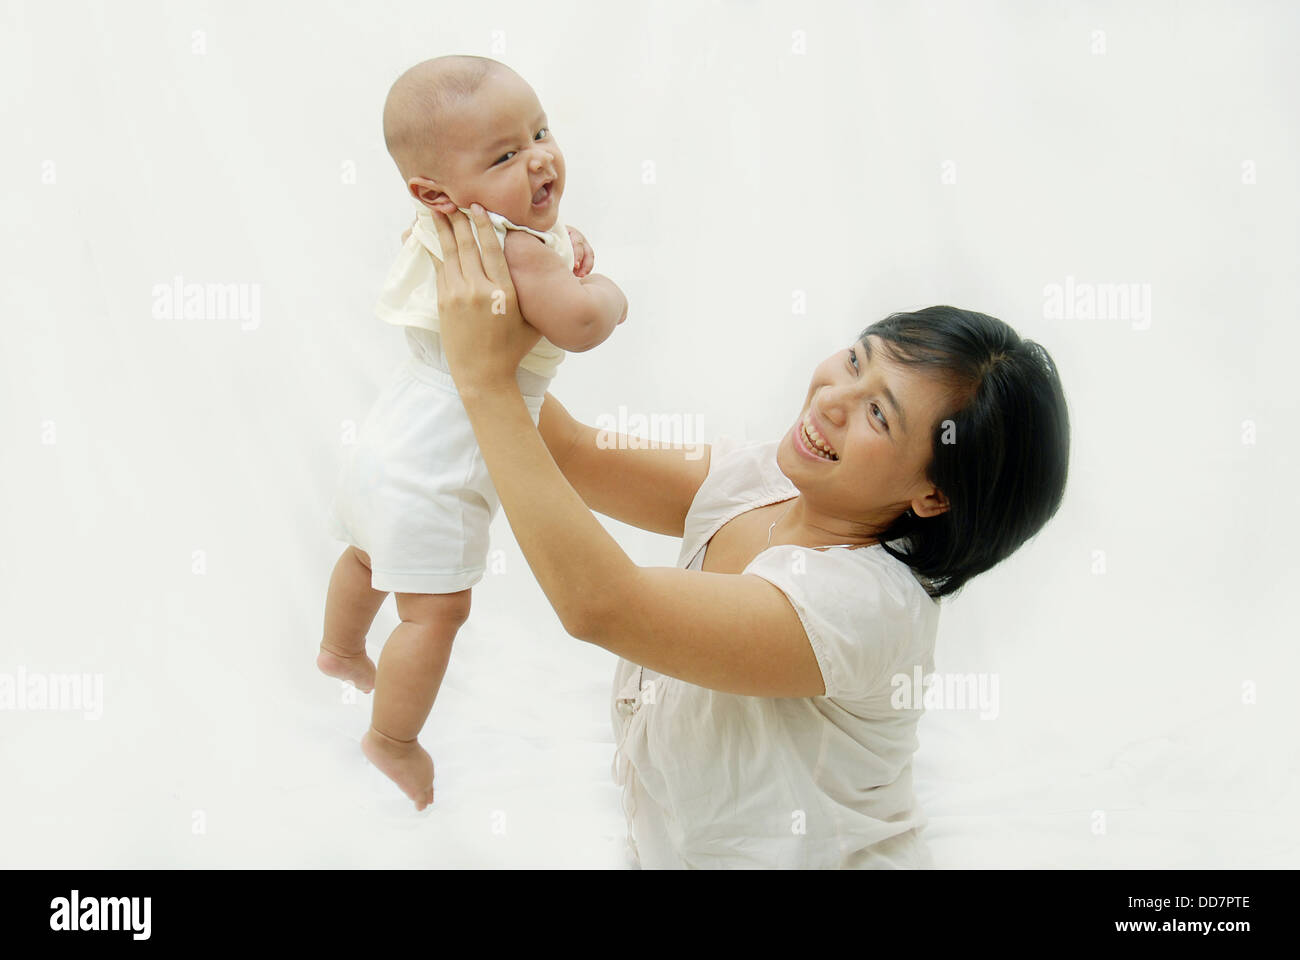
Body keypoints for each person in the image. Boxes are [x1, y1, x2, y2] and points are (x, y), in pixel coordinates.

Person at [427, 205, 1070, 868]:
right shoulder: (762, 478)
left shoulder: (863, 604)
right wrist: (489, 283)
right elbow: (570, 451)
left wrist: (486, 380)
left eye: (878, 414)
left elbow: (602, 606)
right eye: (855, 360)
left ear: (933, 495)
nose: (831, 399)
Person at [317, 55, 628, 811]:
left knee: (364, 557)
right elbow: (580, 322)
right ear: (435, 188)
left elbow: (528, 247)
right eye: (506, 155)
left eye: (540, 131)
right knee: (436, 612)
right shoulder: (518, 250)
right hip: (438, 469)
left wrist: (559, 241)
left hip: (389, 436)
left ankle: (340, 649)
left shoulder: (446, 222)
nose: (541, 157)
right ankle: (392, 741)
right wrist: (607, 292)